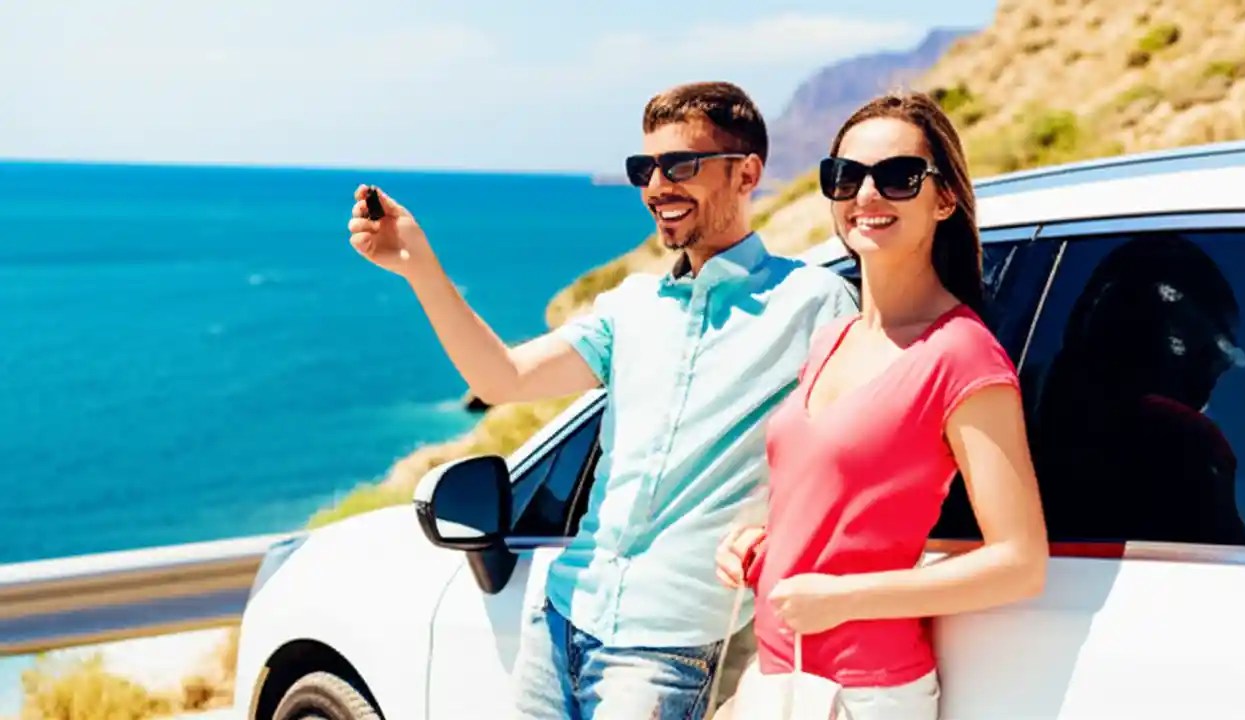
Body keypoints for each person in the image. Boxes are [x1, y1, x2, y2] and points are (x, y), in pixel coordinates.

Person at [346, 80, 858, 719]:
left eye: (681, 166)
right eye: (645, 168)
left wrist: (773, 530)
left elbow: (852, 460)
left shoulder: (813, 303)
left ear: (747, 172)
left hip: (670, 647)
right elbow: (503, 378)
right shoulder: (630, 307)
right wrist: (417, 263)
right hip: (562, 618)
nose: (657, 186)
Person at [714, 90, 1049, 719]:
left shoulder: (962, 356)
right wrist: (758, 542)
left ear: (944, 198)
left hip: (862, 693)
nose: (866, 195)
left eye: (897, 177)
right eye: (846, 176)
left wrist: (844, 599)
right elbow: (835, 504)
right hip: (781, 677)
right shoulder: (831, 340)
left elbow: (1020, 562)